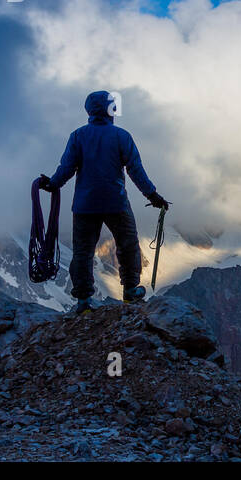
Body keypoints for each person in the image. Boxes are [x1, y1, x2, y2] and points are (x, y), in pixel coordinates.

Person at [38, 91, 169, 314]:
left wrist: (53, 184)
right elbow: (135, 169)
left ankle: (83, 301)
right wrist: (153, 195)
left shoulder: (78, 136)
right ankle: (129, 291)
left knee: (83, 251)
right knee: (127, 244)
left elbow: (67, 168)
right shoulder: (121, 136)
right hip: (115, 202)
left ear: (89, 110)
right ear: (112, 110)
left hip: (85, 204)